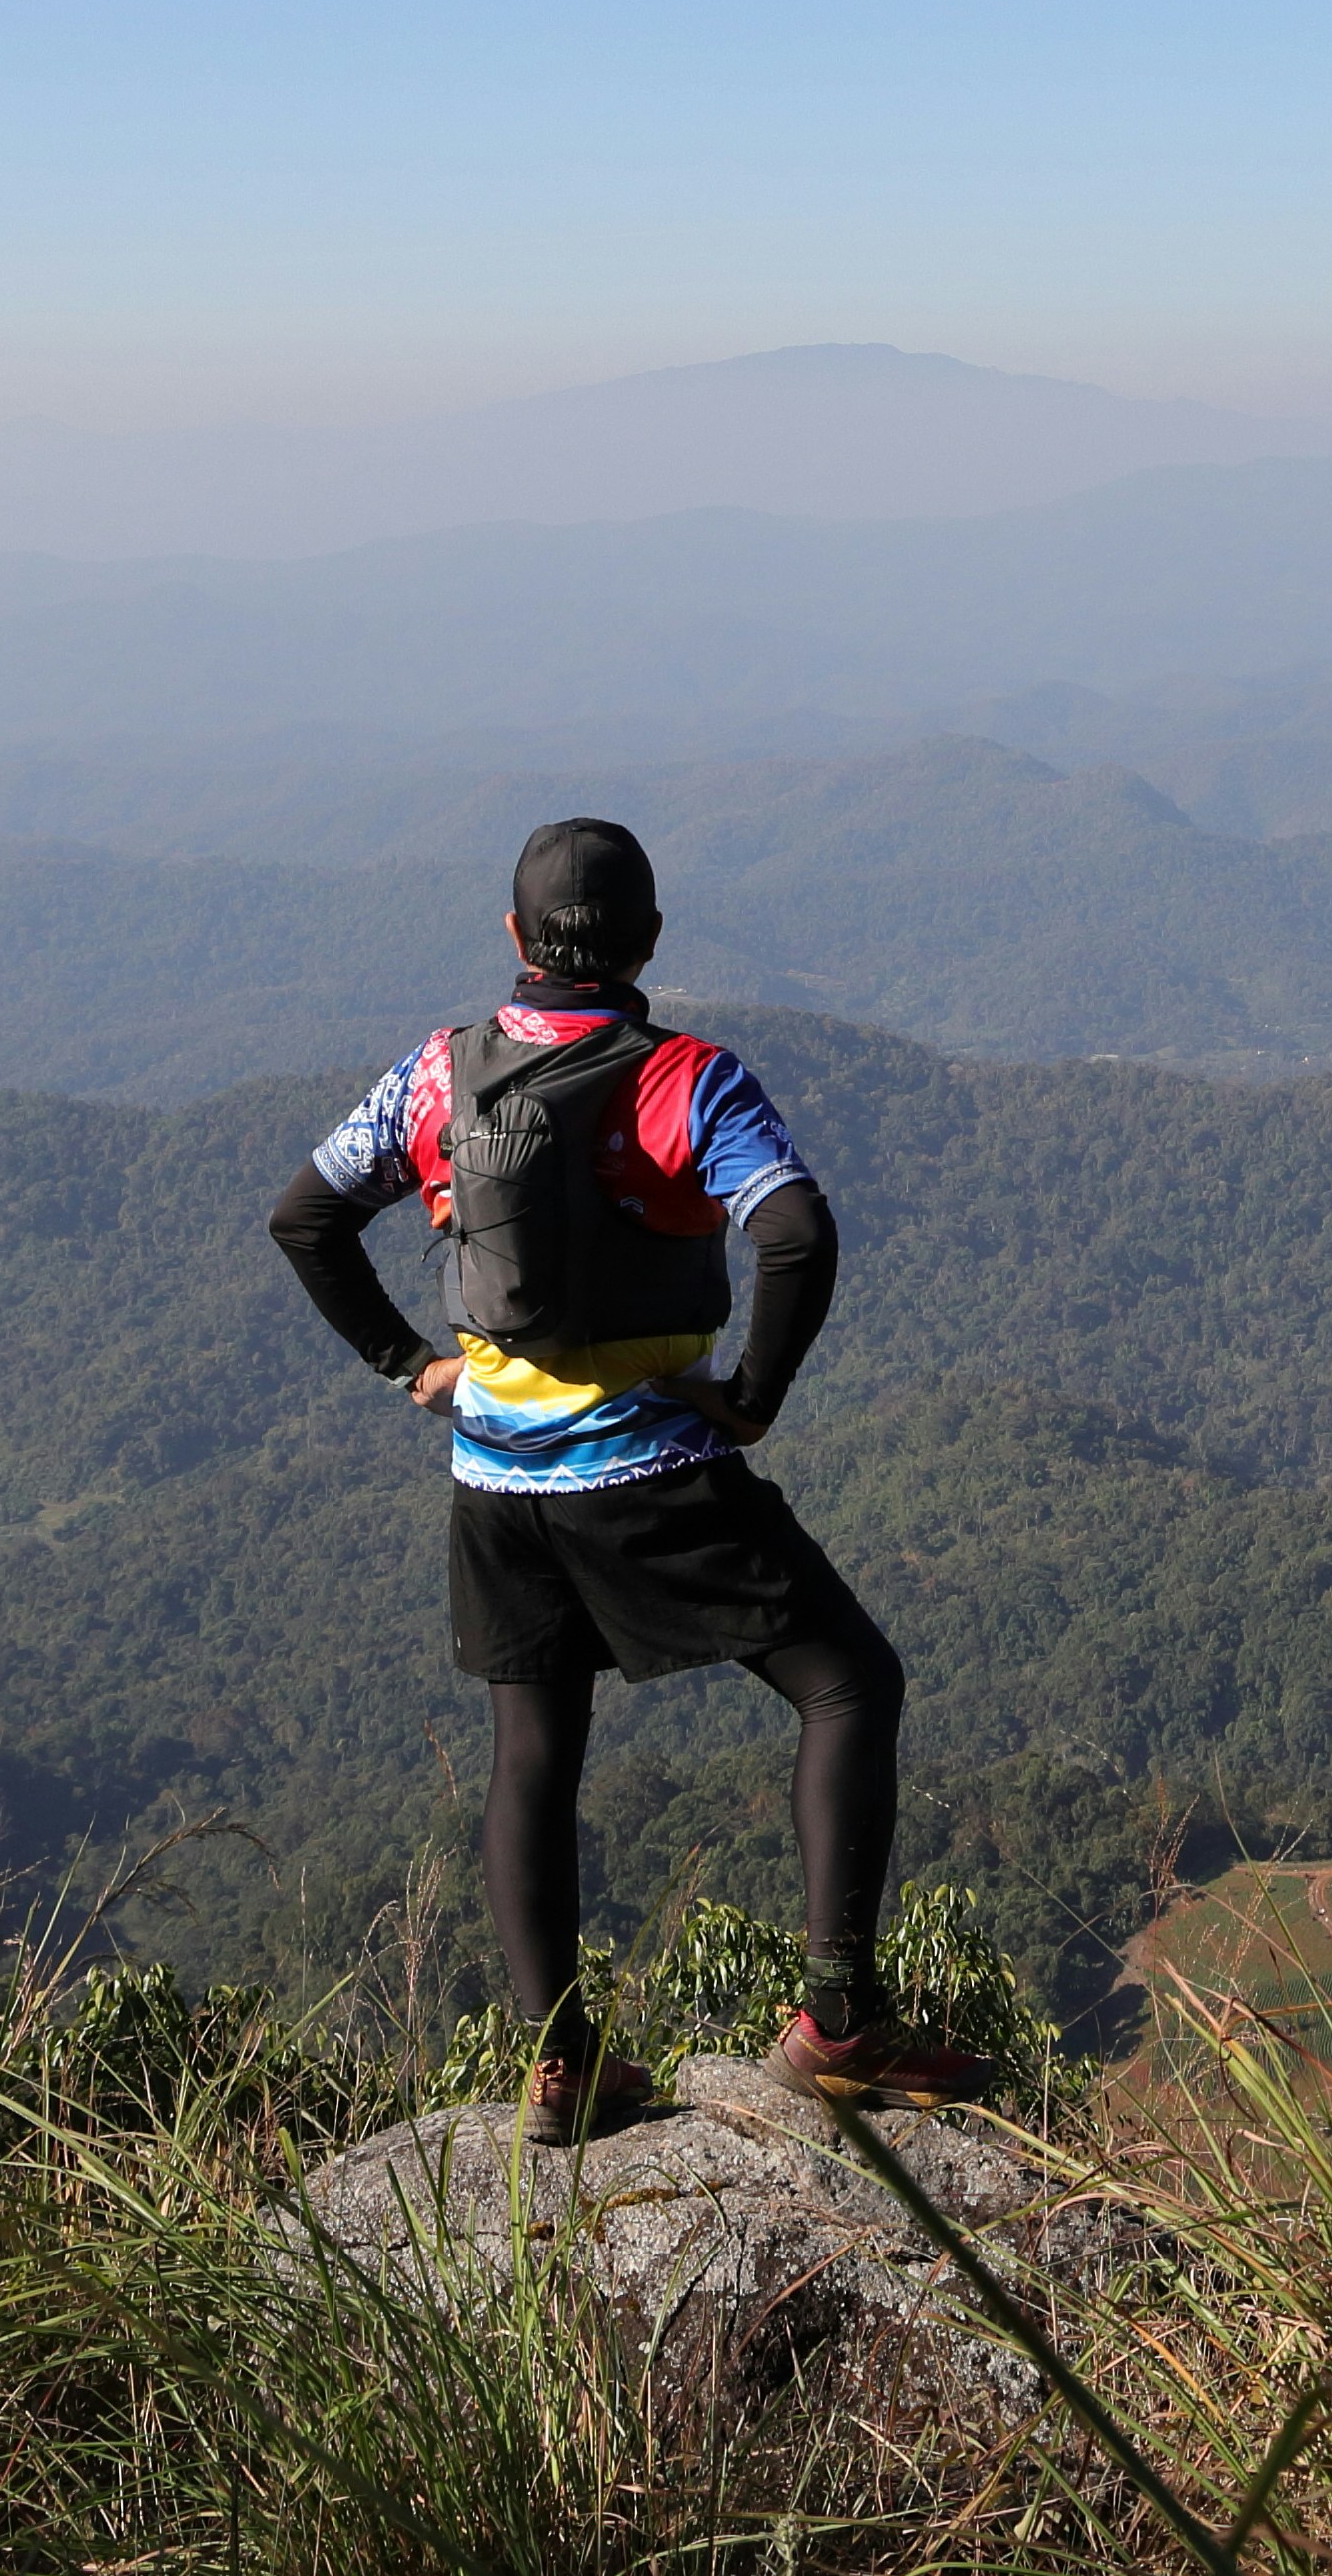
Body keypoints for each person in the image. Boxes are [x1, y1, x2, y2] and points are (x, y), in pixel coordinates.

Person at [263, 816, 987, 2142]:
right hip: (652, 1467)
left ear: (514, 936)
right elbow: (797, 1233)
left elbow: (304, 1216)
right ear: (650, 939)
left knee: (532, 1756)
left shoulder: (436, 1077)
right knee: (847, 1684)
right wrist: (753, 1396)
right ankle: (834, 2026)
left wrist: (411, 1366)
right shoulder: (687, 1080)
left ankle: (561, 2065)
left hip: (496, 1480)